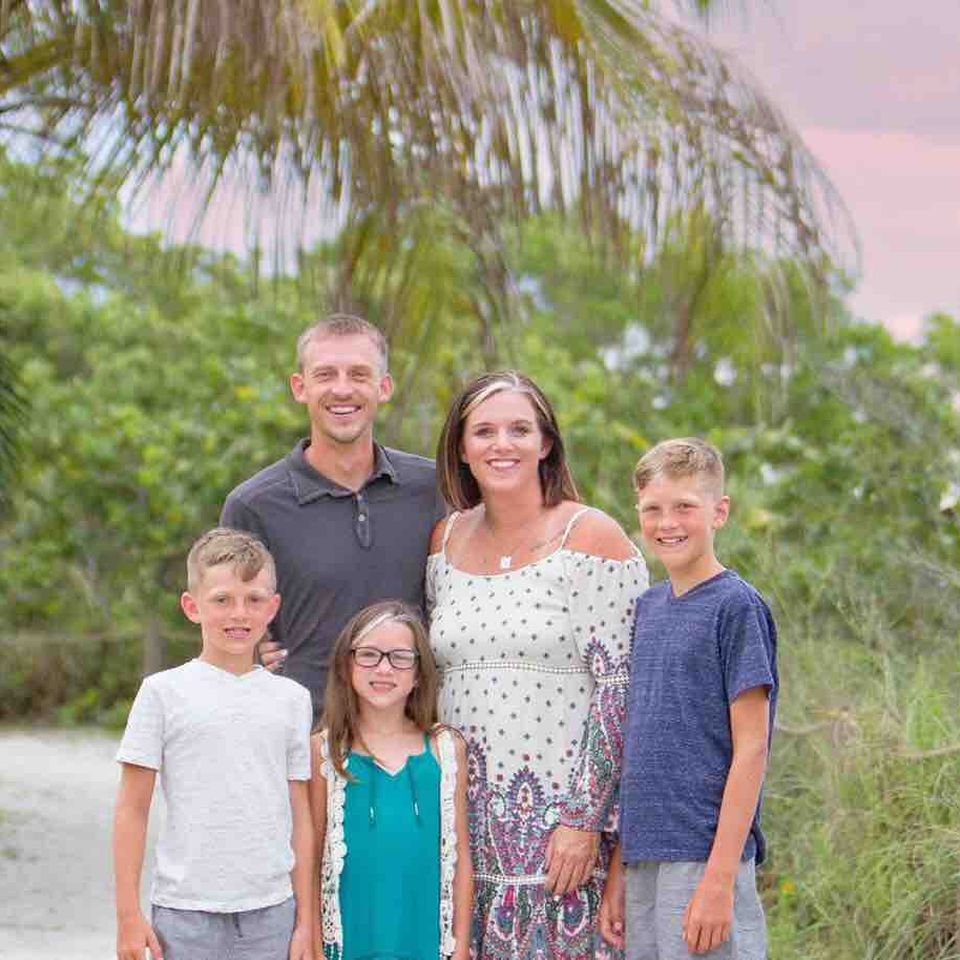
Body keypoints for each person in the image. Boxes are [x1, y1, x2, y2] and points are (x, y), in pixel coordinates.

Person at [426, 371, 648, 960]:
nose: (502, 444)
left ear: (545, 442)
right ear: (462, 448)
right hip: (459, 832)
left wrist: (585, 821)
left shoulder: (591, 537)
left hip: (560, 838)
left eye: (519, 430)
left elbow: (621, 689)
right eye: (484, 432)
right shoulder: (442, 542)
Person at [599, 438, 778, 959]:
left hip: (704, 856)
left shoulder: (736, 607)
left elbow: (752, 748)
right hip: (645, 858)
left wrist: (719, 880)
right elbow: (642, 749)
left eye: (684, 507)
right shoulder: (647, 609)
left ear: (719, 512)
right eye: (652, 509)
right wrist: (621, 866)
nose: (667, 523)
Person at [220, 313, 444, 710]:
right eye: (325, 375)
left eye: (359, 375)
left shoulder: (434, 488)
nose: (342, 389)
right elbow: (227, 629)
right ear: (300, 387)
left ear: (384, 387)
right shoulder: (253, 506)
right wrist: (252, 654)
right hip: (302, 734)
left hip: (413, 729)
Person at [113, 528, 314, 960]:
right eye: (222, 599)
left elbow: (301, 814)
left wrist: (306, 922)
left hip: (272, 914)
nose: (239, 613)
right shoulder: (162, 693)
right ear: (192, 607)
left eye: (254, 599)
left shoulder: (292, 700)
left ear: (273, 607)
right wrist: (128, 916)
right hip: (184, 915)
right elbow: (132, 809)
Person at [310, 600, 472, 960]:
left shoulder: (446, 749)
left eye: (400, 657)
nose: (384, 668)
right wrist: (315, 943)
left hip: (425, 942)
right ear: (347, 665)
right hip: (350, 942)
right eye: (369, 655)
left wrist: (460, 945)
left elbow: (460, 857)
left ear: (419, 674)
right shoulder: (324, 751)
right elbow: (312, 855)